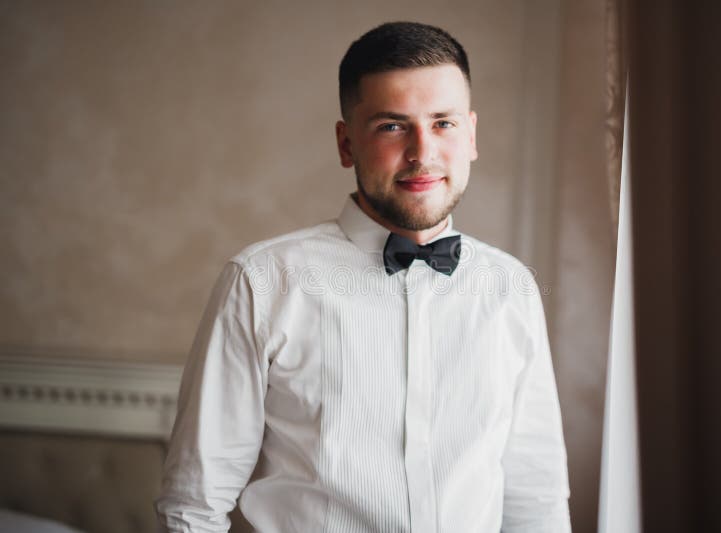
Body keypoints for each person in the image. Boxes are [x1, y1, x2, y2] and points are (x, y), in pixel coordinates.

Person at [156, 21, 570, 533]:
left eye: (443, 123)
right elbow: (193, 507)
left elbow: (536, 500)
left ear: (471, 135)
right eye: (392, 126)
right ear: (346, 143)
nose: (423, 152)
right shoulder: (261, 283)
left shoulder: (512, 288)